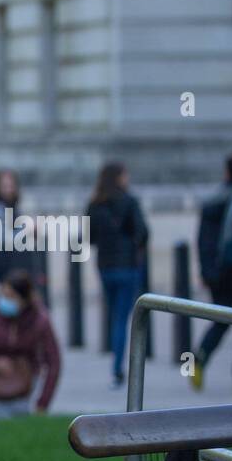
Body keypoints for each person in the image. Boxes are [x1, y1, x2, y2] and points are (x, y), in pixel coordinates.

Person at [0, 268, 61, 417]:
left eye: (11, 296)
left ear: (25, 299)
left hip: (26, 376)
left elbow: (54, 361)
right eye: (3, 294)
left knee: (20, 414)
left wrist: (43, 402)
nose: (4, 300)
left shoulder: (40, 320)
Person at [85, 161, 148, 388]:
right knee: (123, 317)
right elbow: (142, 233)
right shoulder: (130, 202)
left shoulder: (94, 204)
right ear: (119, 178)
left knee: (116, 317)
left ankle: (116, 365)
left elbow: (89, 238)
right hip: (128, 266)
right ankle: (117, 368)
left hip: (105, 266)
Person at [189, 153, 232, 392]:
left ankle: (199, 359)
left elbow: (204, 241)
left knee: (220, 319)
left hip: (222, 272)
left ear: (227, 172)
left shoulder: (214, 201)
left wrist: (206, 271)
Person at [0, 168, 36, 294]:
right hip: (5, 272)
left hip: (14, 272)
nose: (9, 189)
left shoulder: (12, 208)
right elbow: (3, 238)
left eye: (11, 185)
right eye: (5, 186)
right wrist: (27, 230)